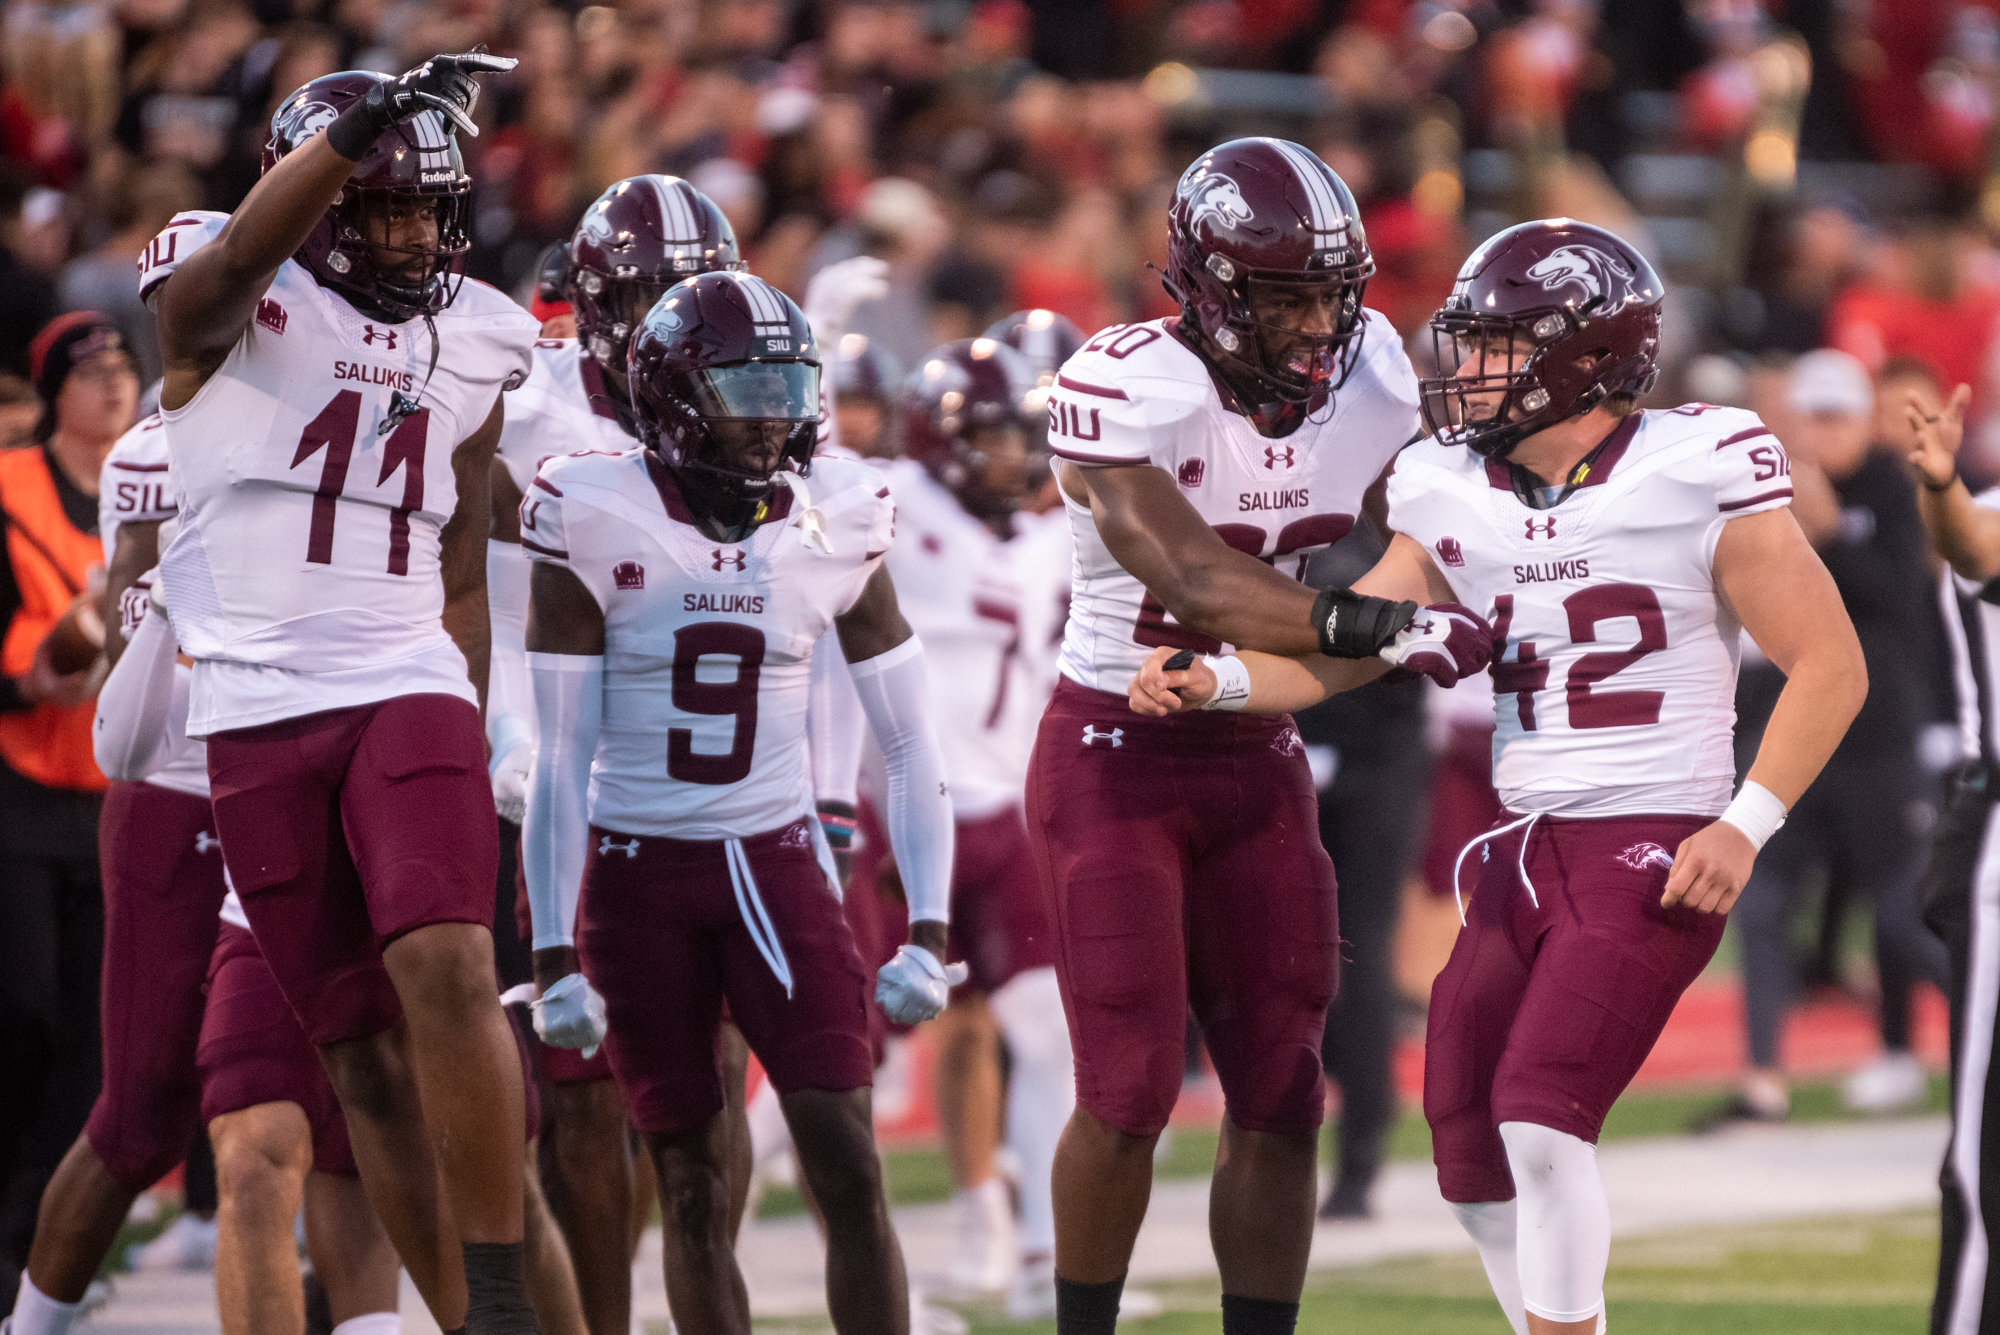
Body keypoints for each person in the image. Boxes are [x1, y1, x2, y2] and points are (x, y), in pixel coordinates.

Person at [1130, 219, 1868, 1335]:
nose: (1464, 367)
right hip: (1525, 852)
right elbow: (1353, 642)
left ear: (1583, 355)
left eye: (1492, 344)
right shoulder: (1446, 487)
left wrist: (1743, 823)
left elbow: (1830, 664)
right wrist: (1222, 680)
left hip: (1652, 837)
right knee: (1466, 1147)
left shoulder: (1694, 465)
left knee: (1539, 1118)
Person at [1028, 137, 1462, 1335]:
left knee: (1281, 1091)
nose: (1319, 323)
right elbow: (1195, 577)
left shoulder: (1373, 373)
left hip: (1253, 740)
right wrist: (1380, 624)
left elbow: (1433, 525)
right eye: (1286, 297)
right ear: (1211, 287)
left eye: (1332, 292)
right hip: (1116, 748)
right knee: (1127, 1089)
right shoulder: (1125, 382)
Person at [144, 56, 545, 1335]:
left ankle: (499, 1303)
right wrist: (356, 131)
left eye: (428, 208)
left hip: (401, 678)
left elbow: (463, 565)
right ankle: (453, 1313)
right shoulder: (230, 295)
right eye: (382, 208)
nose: (414, 235)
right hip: (253, 707)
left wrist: (467, 716)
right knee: (359, 1057)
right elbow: (219, 278)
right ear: (315, 204)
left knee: (448, 960)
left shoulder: (475, 336)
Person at [520, 271, 956, 1335]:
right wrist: (552, 952)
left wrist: (930, 929)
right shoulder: (590, 509)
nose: (776, 415)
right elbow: (560, 751)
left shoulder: (839, 513)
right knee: (691, 1187)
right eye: (747, 388)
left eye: (789, 386)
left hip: (772, 864)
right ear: (674, 397)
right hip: (635, 880)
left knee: (847, 1159)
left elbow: (909, 736)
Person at [491, 173, 745, 1335]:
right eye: (650, 296)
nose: (673, 322)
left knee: (705, 1078)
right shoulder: (519, 402)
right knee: (583, 1089)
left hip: (700, 763)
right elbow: (471, 575)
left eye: (696, 292)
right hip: (551, 761)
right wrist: (501, 729)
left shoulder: (753, 393)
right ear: (594, 302)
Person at [4, 402, 216, 1335]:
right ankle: (28, 1299)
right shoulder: (148, 461)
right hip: (134, 782)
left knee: (311, 1110)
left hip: (291, 767)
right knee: (126, 1100)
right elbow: (125, 736)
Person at [1700, 349, 1947, 1128]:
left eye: (1837, 417)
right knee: (1761, 902)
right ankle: (1763, 1082)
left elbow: (1903, 598)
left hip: (1878, 740)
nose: (1823, 432)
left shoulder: (1894, 487)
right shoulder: (1763, 493)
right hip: (1794, 735)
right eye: (1811, 417)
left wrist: (1835, 532)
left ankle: (1962, 1036)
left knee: (1905, 914)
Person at [881, 337, 1076, 1314]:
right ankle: (698, 1252)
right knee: (837, 1057)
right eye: (996, 436)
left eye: (1023, 435)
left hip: (1001, 814)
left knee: (1047, 1035)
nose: (1017, 456)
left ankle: (1041, 1259)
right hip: (889, 817)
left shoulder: (1046, 540)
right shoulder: (886, 503)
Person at [0, 313, 134, 1312]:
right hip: (23, 785)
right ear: (53, 393)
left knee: (95, 1040)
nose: (115, 381)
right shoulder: (9, 489)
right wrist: (31, 671)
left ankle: (33, 1251)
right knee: (24, 1012)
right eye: (91, 370)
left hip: (120, 785)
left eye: (125, 362)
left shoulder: (153, 486)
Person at [1903, 375, 2000, 1335]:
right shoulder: (1987, 513)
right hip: (1996, 844)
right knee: (1984, 1148)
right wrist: (1941, 485)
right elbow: (1972, 543)